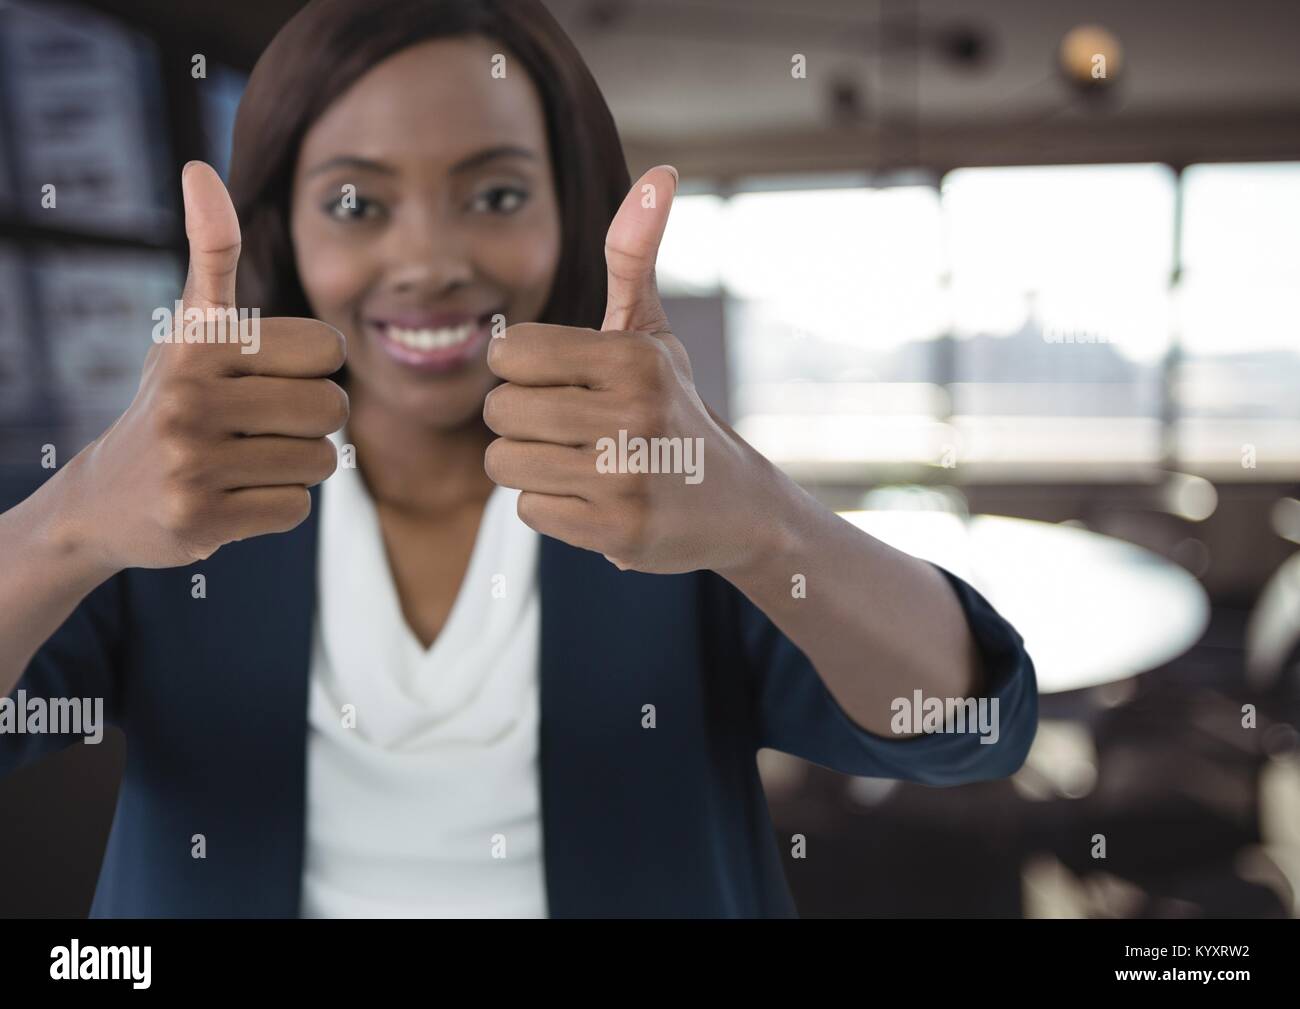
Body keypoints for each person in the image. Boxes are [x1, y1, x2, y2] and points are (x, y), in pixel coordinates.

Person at [0, 0, 1037, 917]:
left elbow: (963, 729)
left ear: (569, 212)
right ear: (281, 228)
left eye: (493, 195)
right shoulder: (163, 498)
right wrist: (74, 519)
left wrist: (764, 520)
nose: (431, 262)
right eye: (357, 202)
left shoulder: (668, 497)